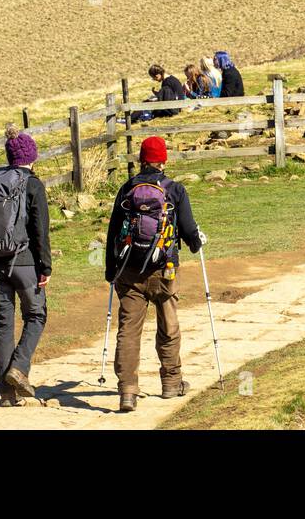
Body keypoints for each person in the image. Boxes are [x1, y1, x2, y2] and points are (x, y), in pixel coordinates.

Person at [105, 136, 204, 412]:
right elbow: (187, 227)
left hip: (129, 271)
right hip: (165, 270)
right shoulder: (174, 190)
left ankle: (127, 391)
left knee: (128, 330)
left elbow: (113, 231)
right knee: (168, 324)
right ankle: (171, 383)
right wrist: (196, 243)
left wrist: (110, 269)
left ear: (141, 159)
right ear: (164, 160)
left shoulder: (127, 189)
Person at [0, 126, 51, 407]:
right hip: (25, 262)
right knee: (36, 315)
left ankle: (6, 393)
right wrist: (46, 267)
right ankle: (19, 369)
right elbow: (40, 229)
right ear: (31, 156)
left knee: (2, 324)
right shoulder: (33, 183)